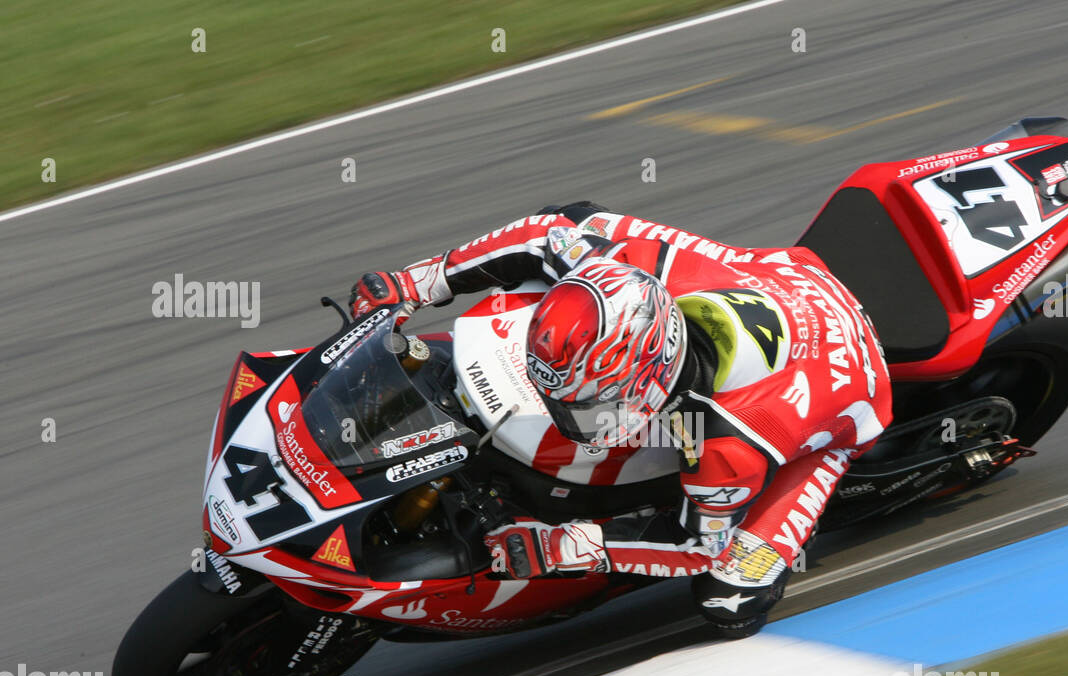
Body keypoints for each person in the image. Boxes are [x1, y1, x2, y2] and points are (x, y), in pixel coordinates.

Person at [349, 201, 892, 636]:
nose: (567, 416)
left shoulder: (724, 440)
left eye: (581, 406)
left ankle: (816, 485)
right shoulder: (625, 271)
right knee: (579, 215)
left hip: (852, 388)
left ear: (649, 379)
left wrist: (569, 546)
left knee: (728, 594)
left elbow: (696, 547)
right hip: (779, 277)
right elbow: (544, 234)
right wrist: (415, 284)